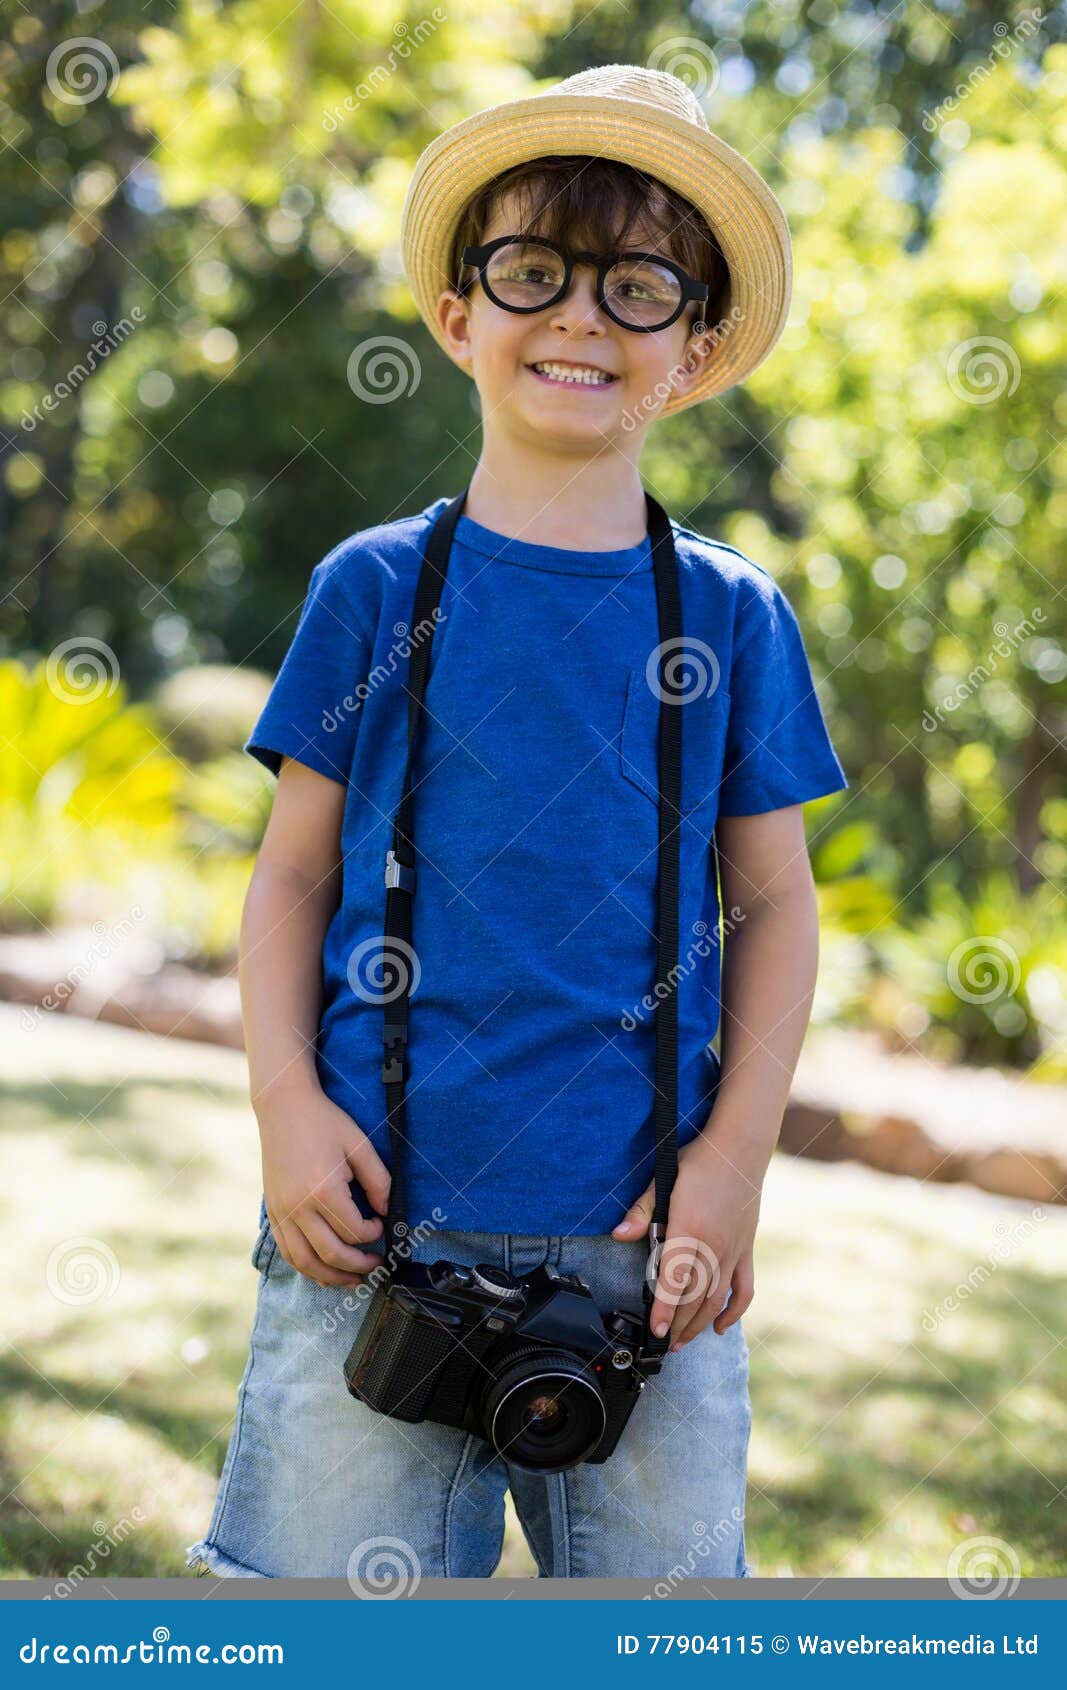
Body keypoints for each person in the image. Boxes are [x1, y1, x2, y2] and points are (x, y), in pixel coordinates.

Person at [186, 63, 847, 1583]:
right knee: (311, 1634)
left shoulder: (732, 618)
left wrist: (733, 1164)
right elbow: (289, 877)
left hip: (648, 1261)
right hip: (369, 1241)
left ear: (693, 350)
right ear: (458, 314)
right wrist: (286, 1103)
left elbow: (781, 906)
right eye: (535, 270)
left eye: (638, 287)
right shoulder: (372, 592)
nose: (581, 320)